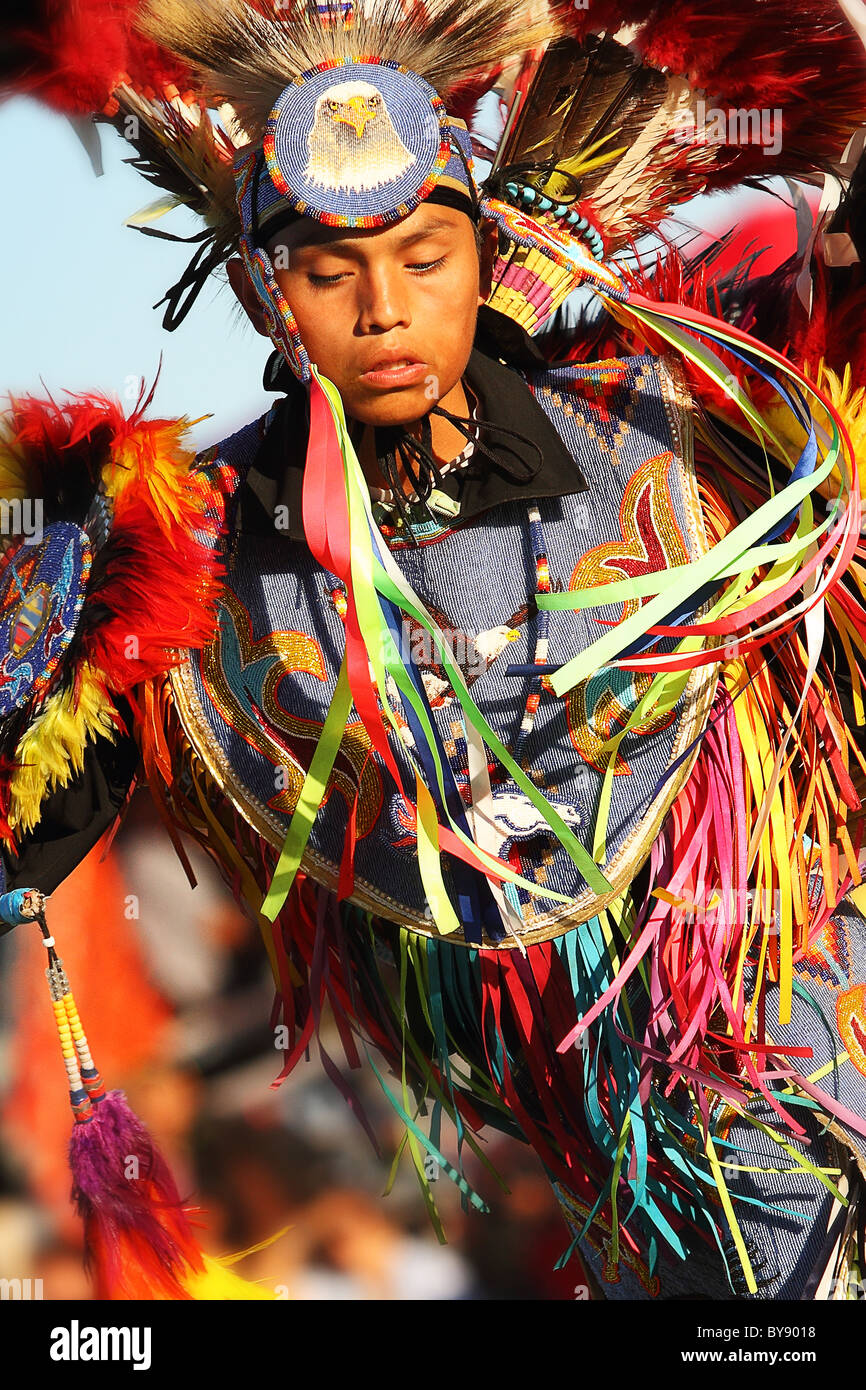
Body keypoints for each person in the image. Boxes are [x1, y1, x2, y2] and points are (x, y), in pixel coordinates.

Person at [2, 0, 866, 1301]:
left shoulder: (683, 415)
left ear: (479, 253)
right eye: (331, 269)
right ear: (267, 287)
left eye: (421, 256)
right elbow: (41, 816)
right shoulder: (188, 550)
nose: (385, 308)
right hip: (645, 1156)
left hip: (805, 996)